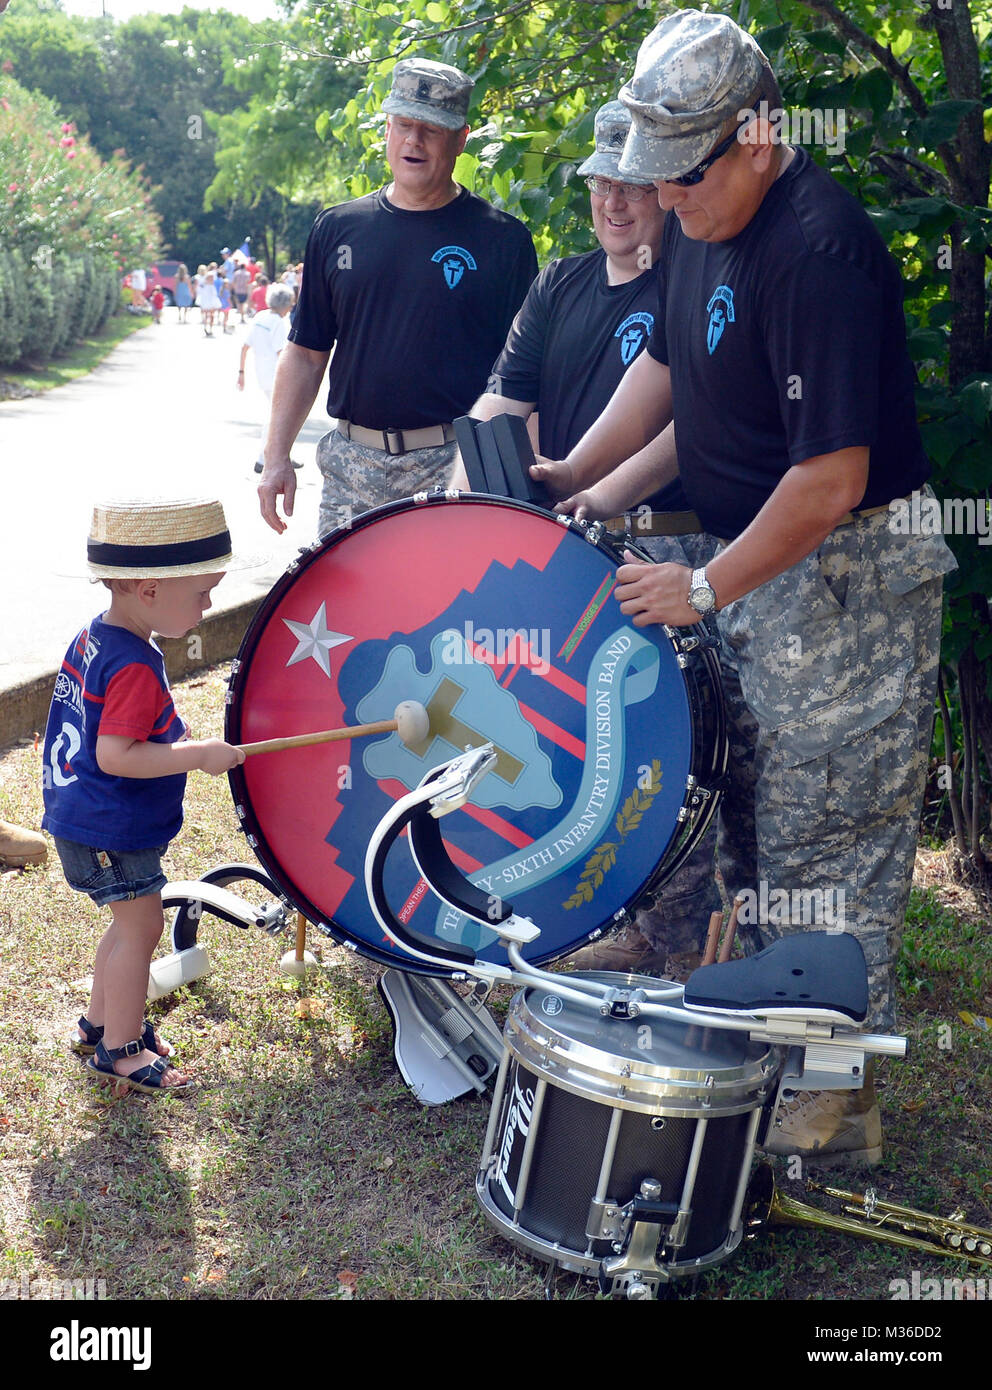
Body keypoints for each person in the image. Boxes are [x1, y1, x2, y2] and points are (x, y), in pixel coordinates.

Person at [538, 9, 956, 1163]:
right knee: (722, 788)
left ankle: (831, 1094)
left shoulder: (816, 248)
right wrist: (582, 477)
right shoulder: (697, 212)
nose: (662, 201)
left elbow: (827, 479)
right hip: (743, 562)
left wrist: (702, 589)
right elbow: (673, 375)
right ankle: (723, 997)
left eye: (684, 177)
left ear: (759, 136)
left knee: (829, 839)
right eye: (654, 176)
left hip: (842, 581)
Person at [451, 100, 723, 973]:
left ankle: (688, 953)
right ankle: (626, 926)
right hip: (568, 549)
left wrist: (592, 492)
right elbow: (502, 400)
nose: (613, 198)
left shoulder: (690, 278)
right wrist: (455, 504)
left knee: (673, 750)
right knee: (584, 745)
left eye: (632, 181)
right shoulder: (559, 283)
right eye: (601, 180)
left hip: (674, 548)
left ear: (663, 188)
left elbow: (686, 414)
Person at [258, 55, 538, 539]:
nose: (414, 140)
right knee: (344, 612)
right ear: (387, 129)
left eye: (431, 129)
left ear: (461, 138)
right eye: (404, 124)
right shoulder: (338, 228)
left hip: (456, 471)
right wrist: (276, 457)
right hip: (352, 467)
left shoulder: (503, 240)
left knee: (448, 613)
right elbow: (305, 353)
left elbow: (526, 378)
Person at [41, 498, 249, 1095]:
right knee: (142, 928)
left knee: (128, 924)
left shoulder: (97, 635)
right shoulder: (134, 661)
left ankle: (100, 1023)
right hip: (110, 824)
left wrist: (175, 737)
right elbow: (116, 755)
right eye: (203, 591)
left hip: (84, 815)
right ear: (147, 588)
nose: (209, 605)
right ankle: (122, 1051)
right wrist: (197, 754)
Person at [237, 282, 296, 474]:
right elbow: (282, 353)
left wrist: (241, 373)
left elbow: (245, 347)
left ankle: (281, 454)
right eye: (290, 303)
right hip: (275, 376)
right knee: (276, 418)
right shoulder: (279, 323)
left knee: (276, 416)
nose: (291, 307)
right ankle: (263, 459)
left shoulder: (260, 317)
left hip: (262, 374)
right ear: (284, 304)